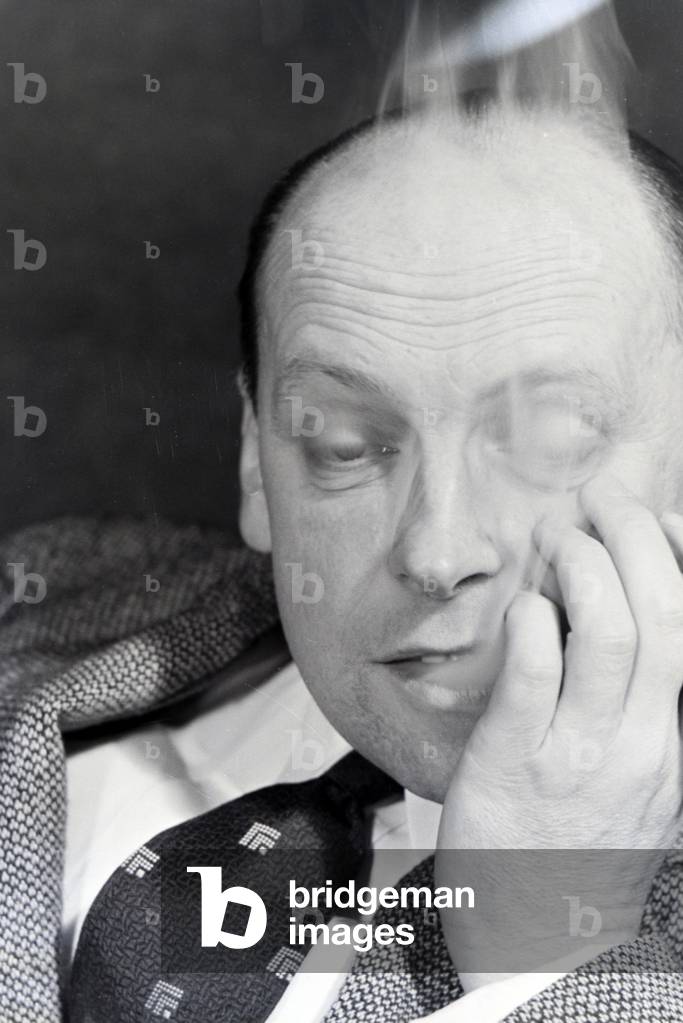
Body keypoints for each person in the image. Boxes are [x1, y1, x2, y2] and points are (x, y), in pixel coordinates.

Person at [4, 98, 683, 1023]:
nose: (437, 554)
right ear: (255, 453)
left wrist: (547, 962)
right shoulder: (49, 601)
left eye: (542, 435)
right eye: (346, 441)